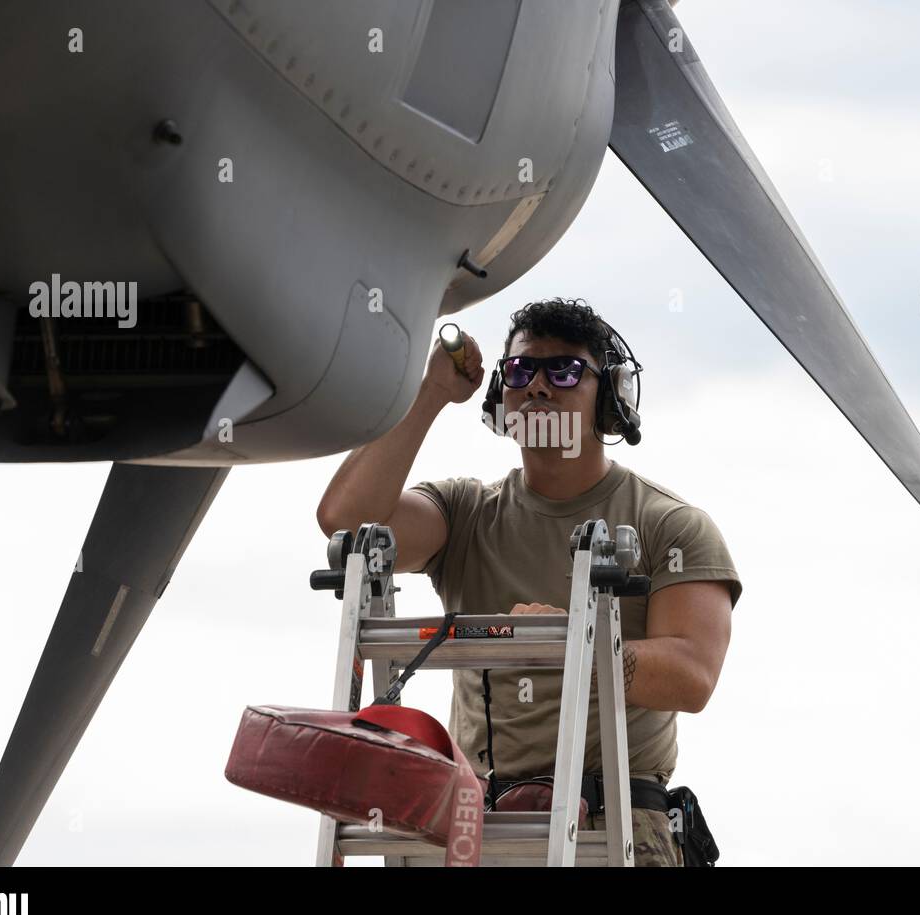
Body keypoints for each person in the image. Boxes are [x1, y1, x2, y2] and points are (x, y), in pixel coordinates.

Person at [316, 297, 741, 866]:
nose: (538, 387)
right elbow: (347, 521)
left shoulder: (671, 525)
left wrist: (579, 647)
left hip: (611, 831)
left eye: (564, 371)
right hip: (476, 829)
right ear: (501, 397)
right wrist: (430, 394)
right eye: (520, 371)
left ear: (609, 399)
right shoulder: (465, 512)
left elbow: (693, 676)